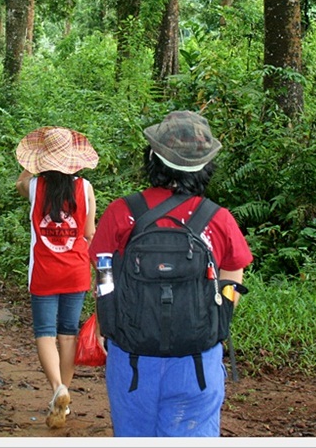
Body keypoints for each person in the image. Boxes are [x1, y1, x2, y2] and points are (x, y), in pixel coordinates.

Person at [88, 110, 253, 437]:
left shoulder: (122, 212)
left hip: (132, 357)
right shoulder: (218, 218)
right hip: (197, 360)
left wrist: (107, 322)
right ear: (205, 165)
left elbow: (104, 274)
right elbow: (233, 277)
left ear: (152, 159)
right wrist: (215, 317)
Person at [15, 126, 98, 429]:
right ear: (73, 159)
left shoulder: (34, 186)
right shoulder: (86, 188)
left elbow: (20, 181)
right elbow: (89, 232)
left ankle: (57, 389)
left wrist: (34, 159)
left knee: (45, 332)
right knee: (68, 333)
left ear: (43, 160)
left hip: (44, 271)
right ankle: (64, 395)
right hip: (76, 269)